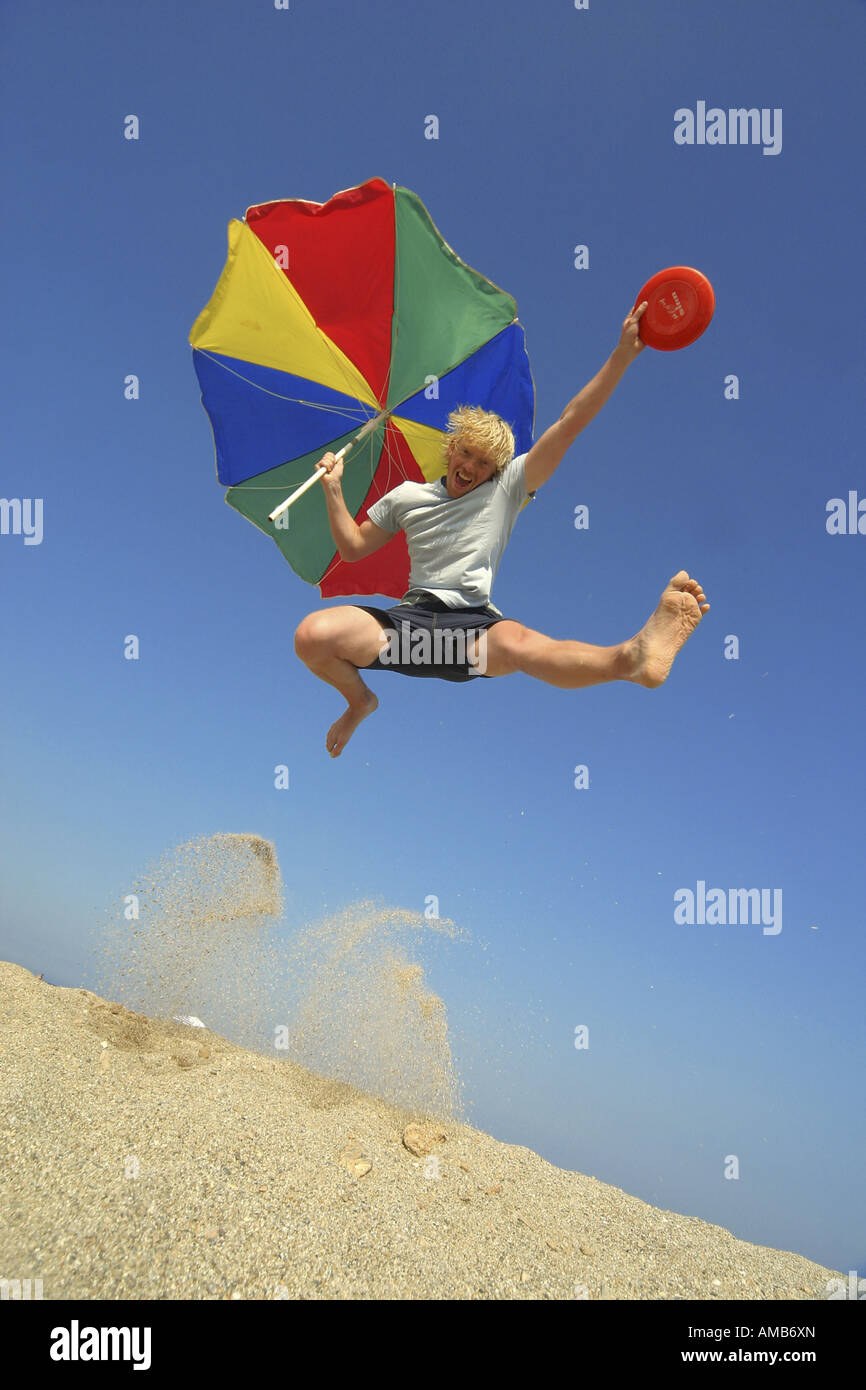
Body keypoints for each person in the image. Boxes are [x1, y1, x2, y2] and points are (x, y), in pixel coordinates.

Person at [294, 301, 710, 757]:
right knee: (313, 636)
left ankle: (630, 658)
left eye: (486, 463)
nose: (472, 467)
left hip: (471, 630)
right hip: (407, 633)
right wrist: (333, 490)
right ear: (452, 448)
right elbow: (353, 548)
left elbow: (570, 424)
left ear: (497, 470)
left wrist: (622, 356)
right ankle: (360, 701)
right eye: (467, 454)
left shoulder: (507, 487)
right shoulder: (406, 496)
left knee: (521, 646)